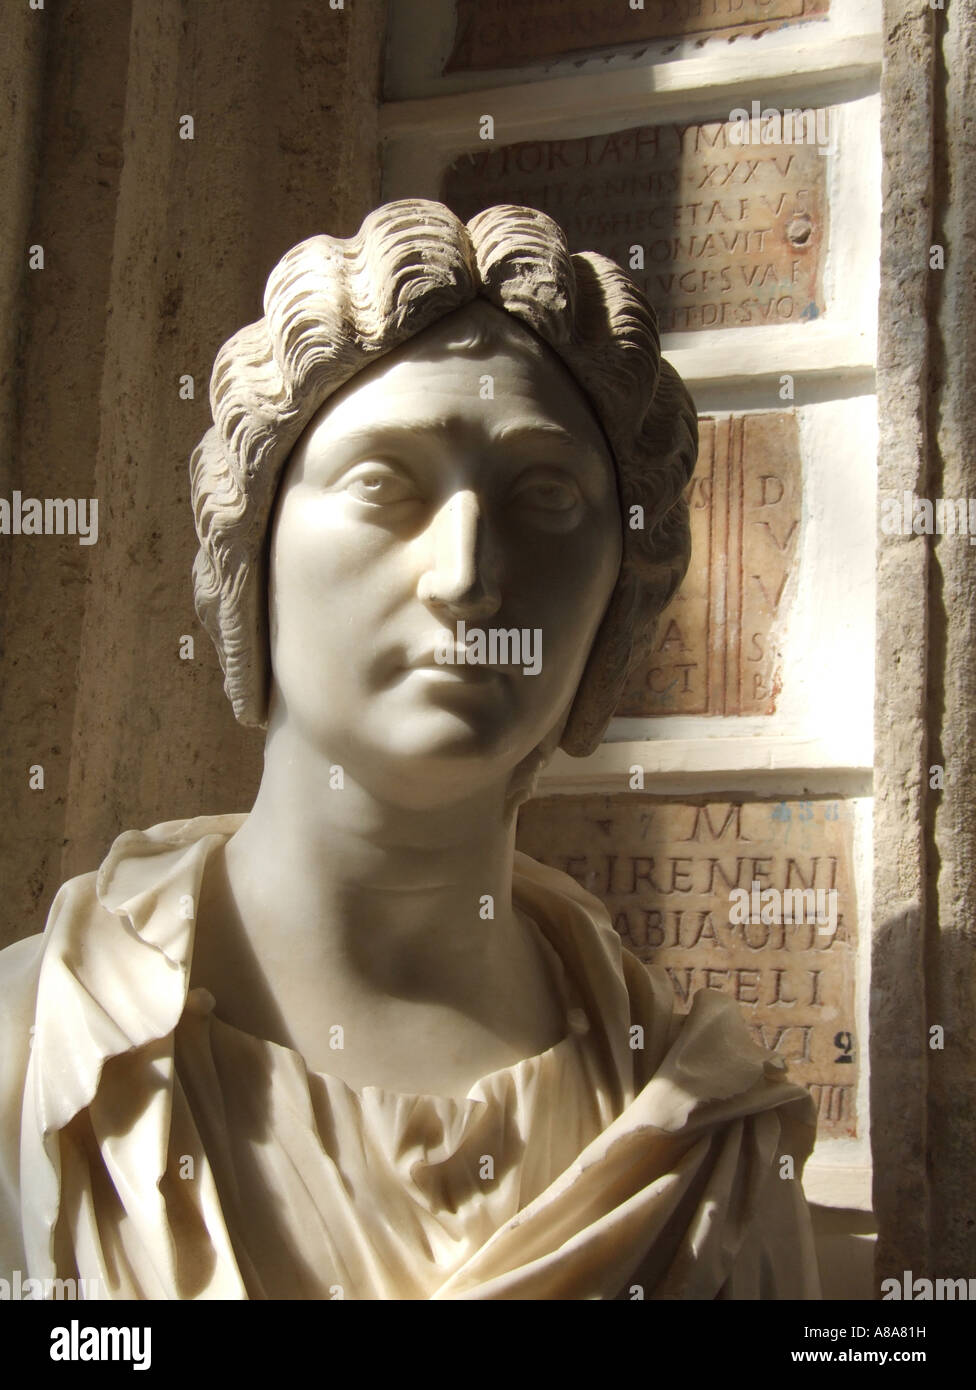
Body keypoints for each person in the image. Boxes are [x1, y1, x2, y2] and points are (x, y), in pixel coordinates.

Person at [0, 200, 820, 1299]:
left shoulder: (704, 1137)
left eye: (546, 497)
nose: (466, 573)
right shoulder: (30, 1058)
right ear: (252, 558)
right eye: (386, 482)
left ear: (617, 605)